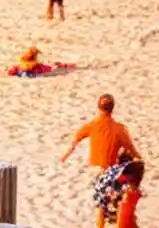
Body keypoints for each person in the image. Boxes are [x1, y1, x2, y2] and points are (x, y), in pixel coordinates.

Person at [60, 94, 143, 228]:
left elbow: (75, 139)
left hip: (95, 171)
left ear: (98, 107)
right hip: (111, 172)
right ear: (112, 108)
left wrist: (65, 156)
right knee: (117, 204)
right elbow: (131, 150)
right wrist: (140, 160)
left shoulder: (92, 125)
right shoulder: (119, 129)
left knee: (101, 206)